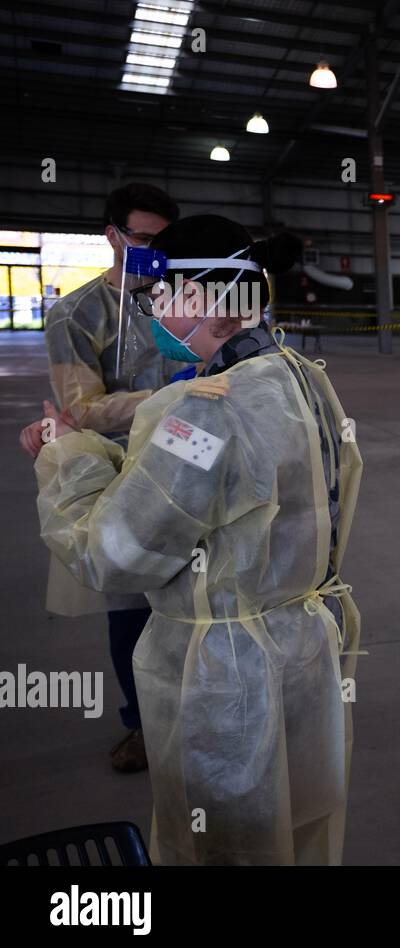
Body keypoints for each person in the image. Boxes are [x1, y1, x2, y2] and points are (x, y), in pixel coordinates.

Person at [23, 215, 363, 865]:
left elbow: (115, 551)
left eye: (158, 295)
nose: (148, 310)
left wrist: (65, 459)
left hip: (227, 678)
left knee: (226, 844)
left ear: (206, 298)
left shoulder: (205, 408)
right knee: (298, 827)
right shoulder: (299, 374)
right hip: (304, 654)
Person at [31, 182, 182, 773]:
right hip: (125, 474)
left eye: (164, 241)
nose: (155, 252)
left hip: (194, 461)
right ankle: (142, 724)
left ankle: (198, 711)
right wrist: (173, 396)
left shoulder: (183, 297)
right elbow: (81, 410)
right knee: (133, 607)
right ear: (113, 235)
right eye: (144, 239)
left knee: (198, 595)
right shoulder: (77, 314)